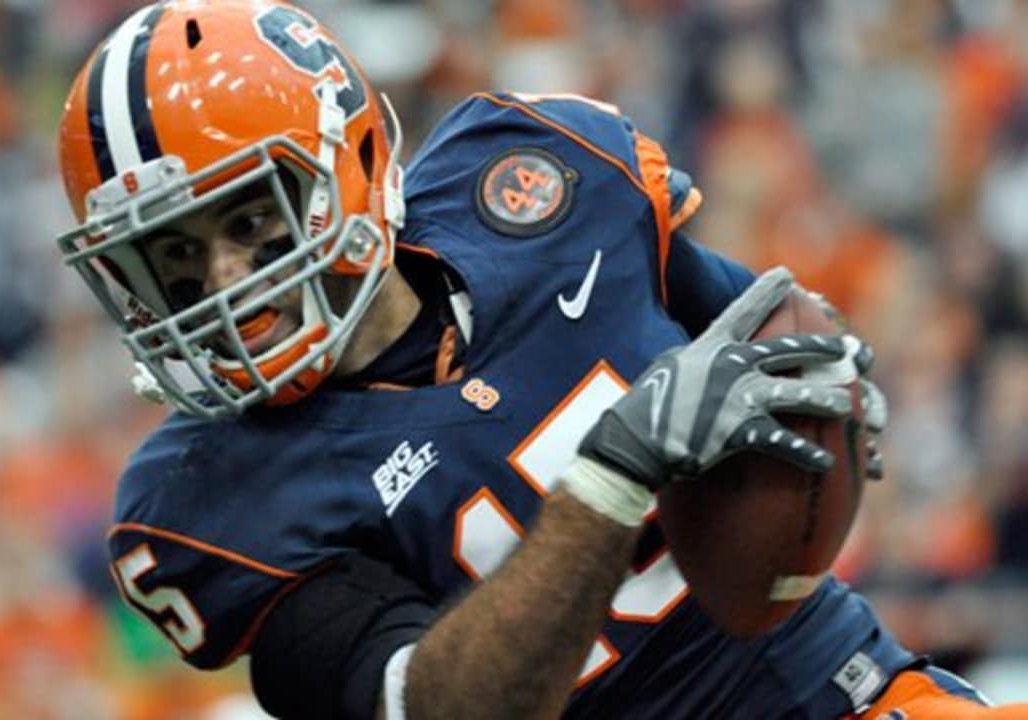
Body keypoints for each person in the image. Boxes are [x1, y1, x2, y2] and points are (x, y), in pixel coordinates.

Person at [54, 2, 1026, 718]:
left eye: (251, 220)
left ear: (345, 162)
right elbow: (446, 713)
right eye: (174, 257)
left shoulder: (531, 173)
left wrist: (821, 380)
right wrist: (609, 479)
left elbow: (760, 332)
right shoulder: (204, 505)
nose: (224, 282)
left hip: (831, 690)